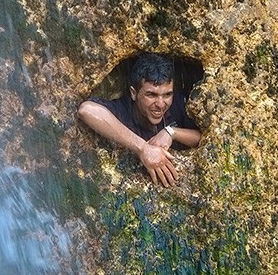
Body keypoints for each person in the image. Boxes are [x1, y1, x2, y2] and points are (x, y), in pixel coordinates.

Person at [77, 53, 201, 187]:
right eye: (151, 95)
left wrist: (172, 132)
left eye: (167, 94)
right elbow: (87, 110)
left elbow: (206, 137)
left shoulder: (179, 103)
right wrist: (143, 149)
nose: (160, 104)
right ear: (133, 93)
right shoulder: (123, 110)